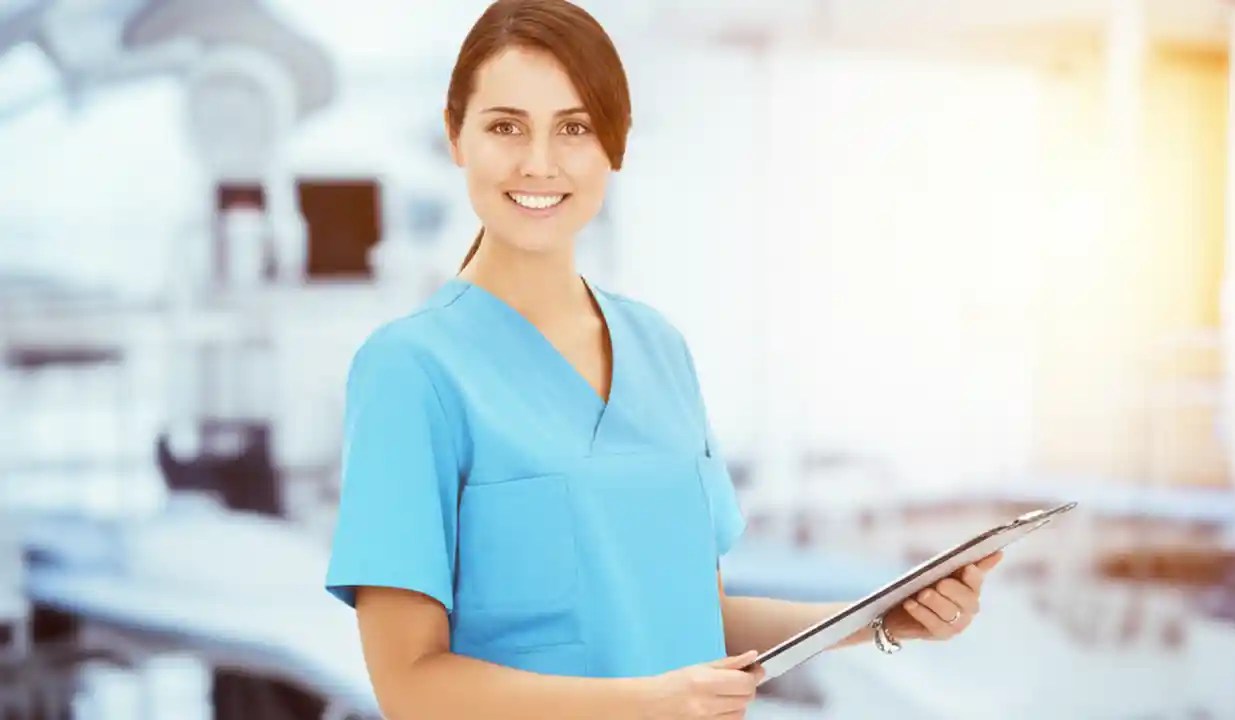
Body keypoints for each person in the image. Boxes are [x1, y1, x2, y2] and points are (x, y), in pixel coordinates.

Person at [323, 1, 1004, 717]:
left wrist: (877, 620)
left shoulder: (659, 349)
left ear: (614, 145)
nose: (540, 162)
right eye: (505, 126)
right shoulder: (412, 369)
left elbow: (696, 618)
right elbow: (410, 685)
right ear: (455, 135)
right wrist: (644, 703)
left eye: (575, 128)